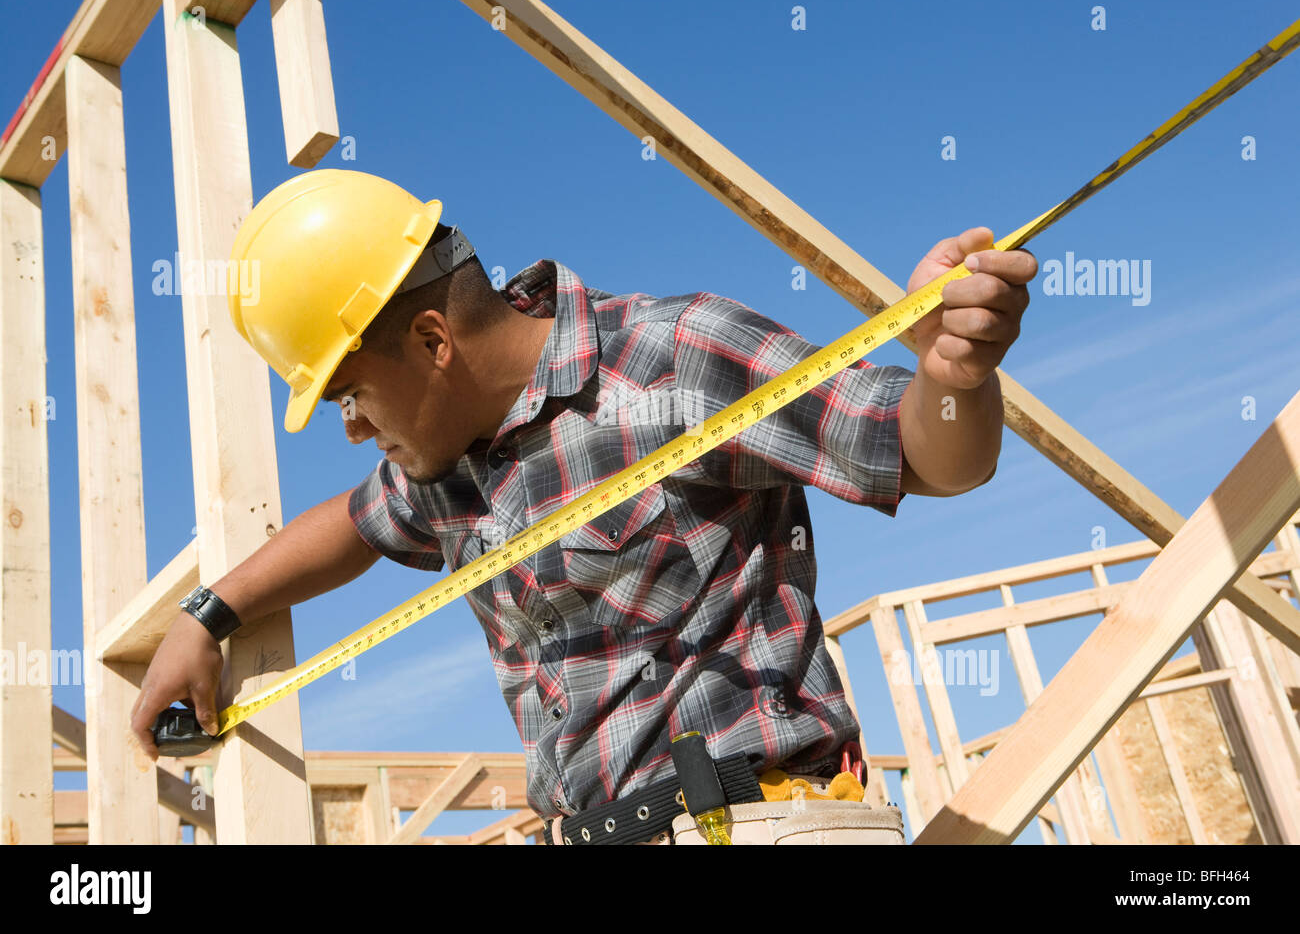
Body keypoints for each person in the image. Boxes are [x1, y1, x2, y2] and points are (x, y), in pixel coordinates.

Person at [129, 169, 1035, 844]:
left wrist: (954, 374)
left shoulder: (676, 357)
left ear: (433, 338)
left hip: (757, 824)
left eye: (351, 395)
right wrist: (208, 615)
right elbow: (352, 527)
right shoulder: (447, 469)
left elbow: (921, 454)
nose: (356, 429)